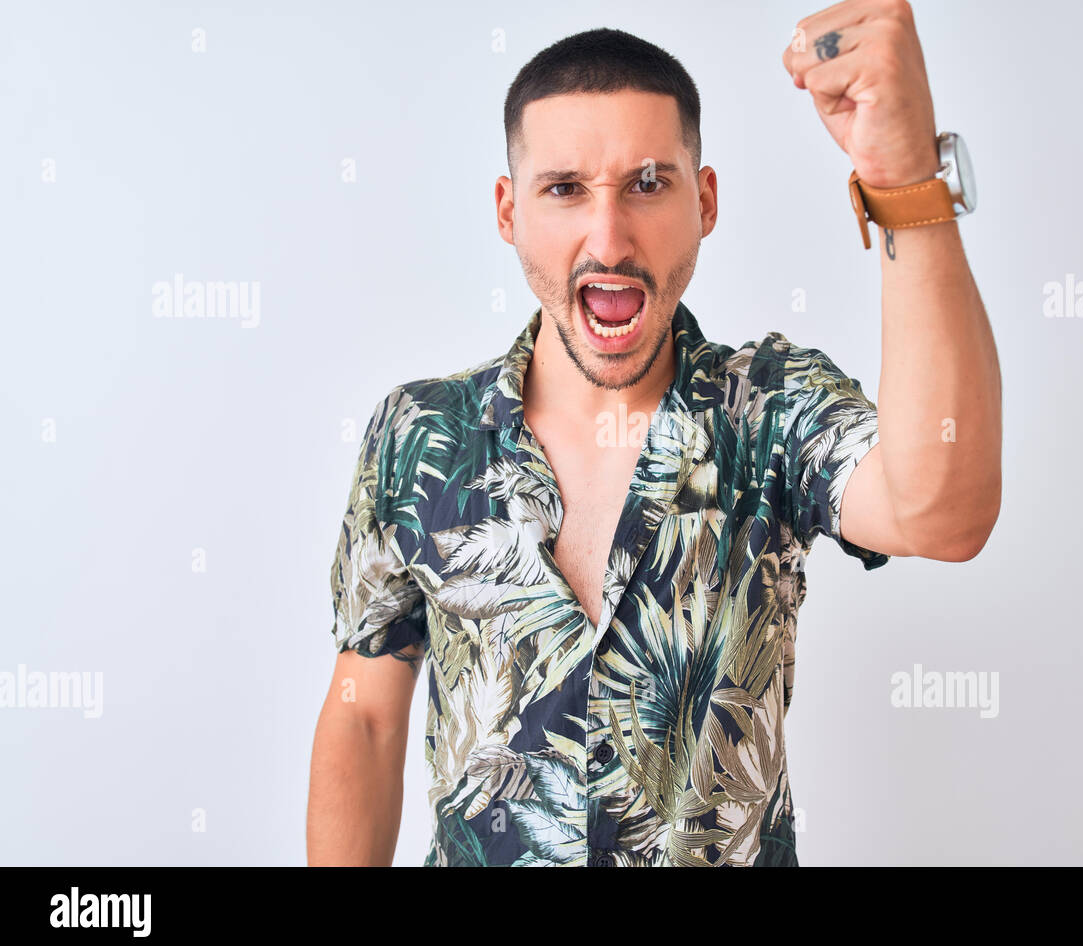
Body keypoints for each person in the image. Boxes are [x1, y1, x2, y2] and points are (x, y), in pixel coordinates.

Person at [308, 6, 1001, 867]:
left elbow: (943, 511)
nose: (609, 238)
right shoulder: (419, 435)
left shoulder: (768, 412)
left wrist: (903, 178)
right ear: (508, 210)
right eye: (564, 189)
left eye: (647, 183)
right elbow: (366, 711)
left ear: (704, 200)